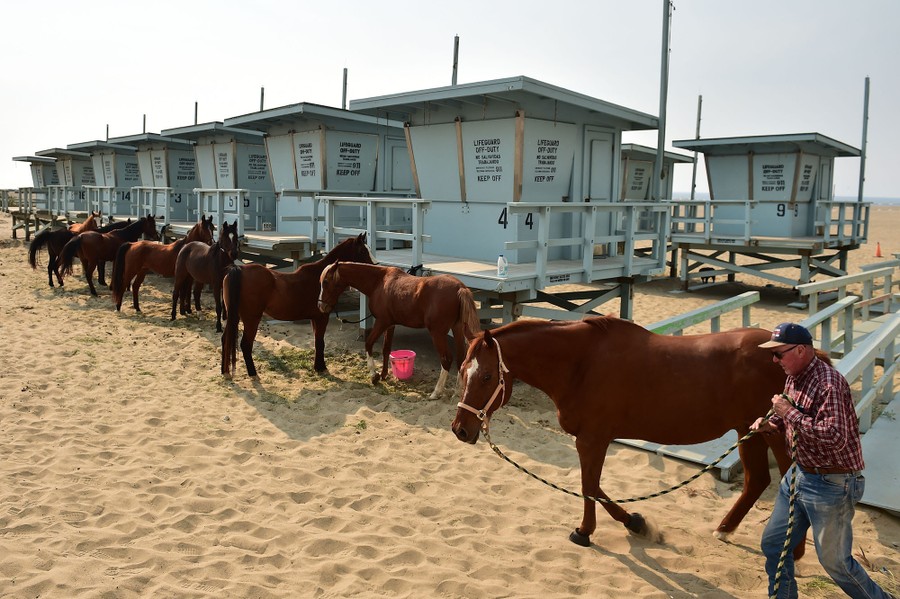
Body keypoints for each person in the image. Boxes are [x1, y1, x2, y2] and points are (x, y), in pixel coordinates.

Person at [751, 322, 892, 599]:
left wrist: (787, 414)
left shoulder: (830, 383)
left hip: (832, 482)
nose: (774, 360)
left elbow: (834, 436)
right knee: (774, 545)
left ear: (801, 350)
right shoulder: (794, 374)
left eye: (779, 353)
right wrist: (772, 422)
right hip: (799, 473)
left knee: (836, 563)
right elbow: (794, 412)